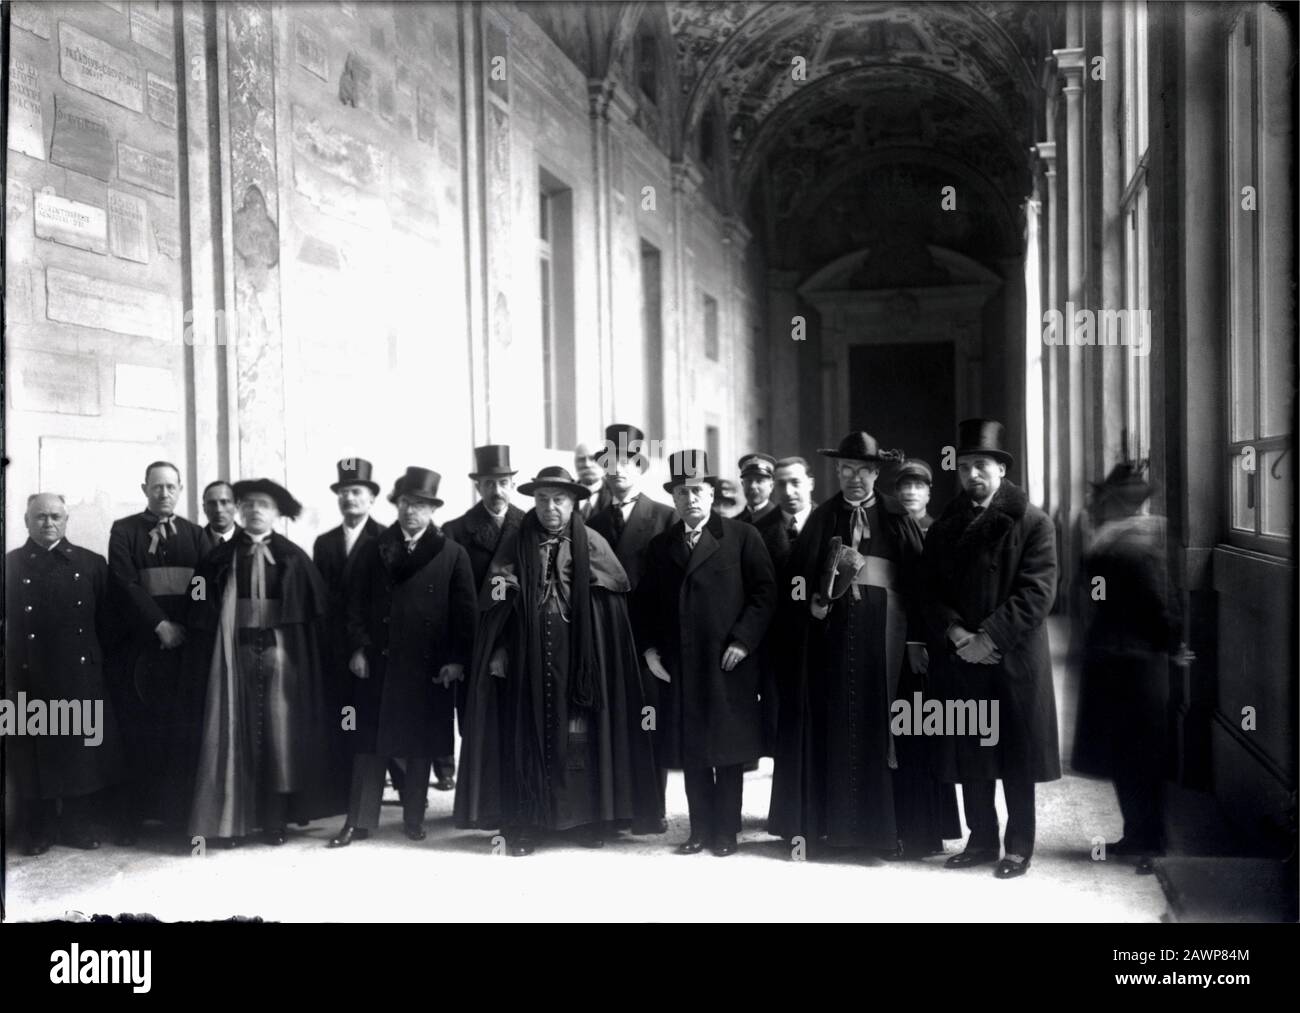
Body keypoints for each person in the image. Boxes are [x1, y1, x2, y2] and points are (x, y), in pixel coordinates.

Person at [454, 466, 659, 855]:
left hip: (580, 664)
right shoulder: (515, 542)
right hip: (525, 662)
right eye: (543, 499)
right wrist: (500, 636)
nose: (550, 507)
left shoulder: (593, 542)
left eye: (559, 499)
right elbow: (494, 597)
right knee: (527, 737)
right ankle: (528, 822)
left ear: (573, 503)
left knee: (579, 739)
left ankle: (581, 819)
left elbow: (612, 600)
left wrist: (596, 652)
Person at [768, 432, 926, 857]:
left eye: (862, 471)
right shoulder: (822, 518)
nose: (854, 479)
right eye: (845, 470)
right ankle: (831, 829)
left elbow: (920, 585)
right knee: (833, 725)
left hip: (886, 640)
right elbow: (796, 579)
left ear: (876, 473)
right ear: (836, 472)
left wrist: (913, 639)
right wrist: (810, 604)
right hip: (831, 644)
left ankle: (887, 831)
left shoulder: (897, 516)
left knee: (885, 726)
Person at [922, 418, 1060, 879]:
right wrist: (958, 634)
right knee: (971, 753)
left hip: (1013, 658)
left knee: (1016, 756)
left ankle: (1018, 847)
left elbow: (1037, 594)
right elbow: (929, 589)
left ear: (1002, 469)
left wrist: (988, 639)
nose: (972, 476)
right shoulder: (946, 524)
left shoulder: (1033, 521)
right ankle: (980, 840)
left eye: (981, 465)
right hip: (963, 654)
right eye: (963, 468)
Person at [635, 451, 776, 856]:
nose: (690, 499)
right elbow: (644, 604)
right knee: (693, 748)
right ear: (674, 499)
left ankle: (727, 831)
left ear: (712, 494)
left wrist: (743, 641)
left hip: (729, 661)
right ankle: (700, 830)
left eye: (698, 490)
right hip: (681, 664)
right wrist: (649, 652)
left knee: (729, 750)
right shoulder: (661, 546)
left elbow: (766, 594)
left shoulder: (742, 537)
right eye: (682, 492)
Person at [333, 467, 477, 846]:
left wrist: (456, 659)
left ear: (432, 510)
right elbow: (353, 605)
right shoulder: (373, 548)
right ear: (396, 506)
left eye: (421, 505)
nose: (411, 511)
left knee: (420, 744)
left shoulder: (452, 553)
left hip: (428, 666)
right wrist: (358, 649)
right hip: (378, 661)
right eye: (406, 503)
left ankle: (414, 818)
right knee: (367, 744)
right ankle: (358, 821)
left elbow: (465, 614)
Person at [187, 479, 332, 846]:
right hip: (231, 655)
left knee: (279, 738)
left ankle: (275, 821)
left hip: (280, 654)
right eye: (248, 504)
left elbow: (314, 615)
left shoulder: (295, 557)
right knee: (233, 735)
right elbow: (197, 598)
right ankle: (233, 822)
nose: (254, 510)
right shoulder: (217, 557)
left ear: (277, 513)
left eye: (263, 505)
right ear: (239, 509)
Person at [1072, 462, 1180, 871]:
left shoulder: (1118, 543)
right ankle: (1141, 837)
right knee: (1133, 755)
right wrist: (1172, 643)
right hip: (1128, 662)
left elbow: (1150, 603)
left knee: (1134, 756)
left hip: (1123, 662)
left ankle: (1148, 840)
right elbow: (1156, 603)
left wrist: (1169, 640)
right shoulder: (1130, 541)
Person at [6, 494, 125, 854]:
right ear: (27, 521)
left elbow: (109, 621)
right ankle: (40, 828)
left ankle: (76, 825)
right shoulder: (9, 565)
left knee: (80, 754)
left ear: (66, 520)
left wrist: (95, 664)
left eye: (55, 516)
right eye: (40, 517)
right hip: (27, 674)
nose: (48, 523)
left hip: (79, 675)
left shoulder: (90, 563)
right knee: (33, 753)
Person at [106, 460, 207, 840]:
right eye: (157, 487)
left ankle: (178, 818)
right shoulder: (124, 530)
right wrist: (159, 624)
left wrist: (185, 627)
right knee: (140, 731)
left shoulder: (196, 535)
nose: (164, 493)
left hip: (184, 649)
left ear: (180, 490)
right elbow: (124, 583)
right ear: (145, 489)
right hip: (141, 648)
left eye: (171, 487)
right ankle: (136, 819)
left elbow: (201, 584)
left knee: (180, 731)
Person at [587, 422, 675, 830]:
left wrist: (659, 642)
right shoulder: (591, 519)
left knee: (648, 717)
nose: (618, 469)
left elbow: (674, 586)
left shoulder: (665, 516)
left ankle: (649, 809)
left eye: (627, 461)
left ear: (640, 466)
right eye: (610, 462)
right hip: (604, 634)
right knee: (608, 720)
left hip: (646, 638)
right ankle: (611, 809)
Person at [443, 445, 526, 791]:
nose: (497, 491)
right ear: (478, 487)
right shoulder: (456, 531)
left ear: (511, 484)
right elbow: (450, 601)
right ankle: (481, 802)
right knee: (476, 723)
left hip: (519, 638)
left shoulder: (529, 525)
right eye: (489, 483)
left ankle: (515, 798)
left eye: (504, 482)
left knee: (517, 720)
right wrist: (458, 655)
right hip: (474, 641)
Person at [312, 458, 384, 824]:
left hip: (368, 650)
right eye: (343, 492)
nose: (349, 498)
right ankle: (340, 793)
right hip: (334, 650)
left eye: (356, 492)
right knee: (342, 717)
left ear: (371, 498)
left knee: (365, 721)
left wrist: (363, 647)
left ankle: (368, 798)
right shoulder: (323, 544)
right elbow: (320, 599)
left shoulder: (384, 539)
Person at [753, 457, 817, 757]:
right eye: (781, 483)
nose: (789, 490)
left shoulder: (830, 522)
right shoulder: (756, 531)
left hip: (822, 640)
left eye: (796, 482)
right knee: (784, 736)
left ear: (810, 484)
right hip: (777, 645)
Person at [894, 459, 935, 534]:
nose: (912, 492)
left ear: (928, 494)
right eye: (906, 485)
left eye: (919, 486)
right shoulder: (885, 529)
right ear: (897, 492)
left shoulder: (939, 531)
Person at [573, 441, 612, 521]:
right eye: (581, 459)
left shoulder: (616, 495)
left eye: (593, 459)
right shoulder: (566, 494)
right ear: (575, 463)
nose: (587, 464)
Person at [736, 453, 778, 524]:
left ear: (771, 486)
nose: (752, 486)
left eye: (759, 481)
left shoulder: (782, 521)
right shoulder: (734, 522)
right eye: (749, 481)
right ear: (742, 484)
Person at [200, 481, 240, 554]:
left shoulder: (250, 541)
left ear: (236, 506)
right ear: (204, 508)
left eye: (224, 502)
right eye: (212, 503)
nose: (218, 510)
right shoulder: (195, 542)